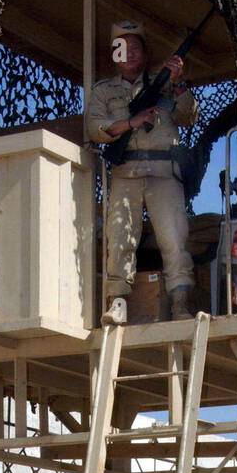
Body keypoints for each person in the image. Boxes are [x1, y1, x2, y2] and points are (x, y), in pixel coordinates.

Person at [86, 19, 198, 325]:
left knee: (174, 238)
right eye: (122, 48)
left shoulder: (163, 84)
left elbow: (188, 115)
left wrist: (177, 82)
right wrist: (131, 123)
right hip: (125, 170)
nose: (129, 53)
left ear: (146, 53)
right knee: (120, 237)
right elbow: (95, 128)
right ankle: (118, 300)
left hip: (163, 170)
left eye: (135, 47)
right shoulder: (103, 91)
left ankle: (179, 302)